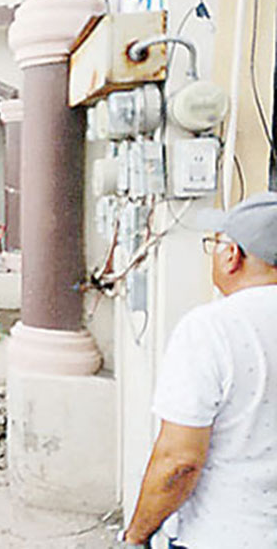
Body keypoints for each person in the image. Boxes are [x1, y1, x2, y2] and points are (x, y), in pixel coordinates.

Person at [121, 193, 277, 548]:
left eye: (216, 243)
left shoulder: (213, 328)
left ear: (232, 255)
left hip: (228, 535)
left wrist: (136, 536)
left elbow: (179, 461)